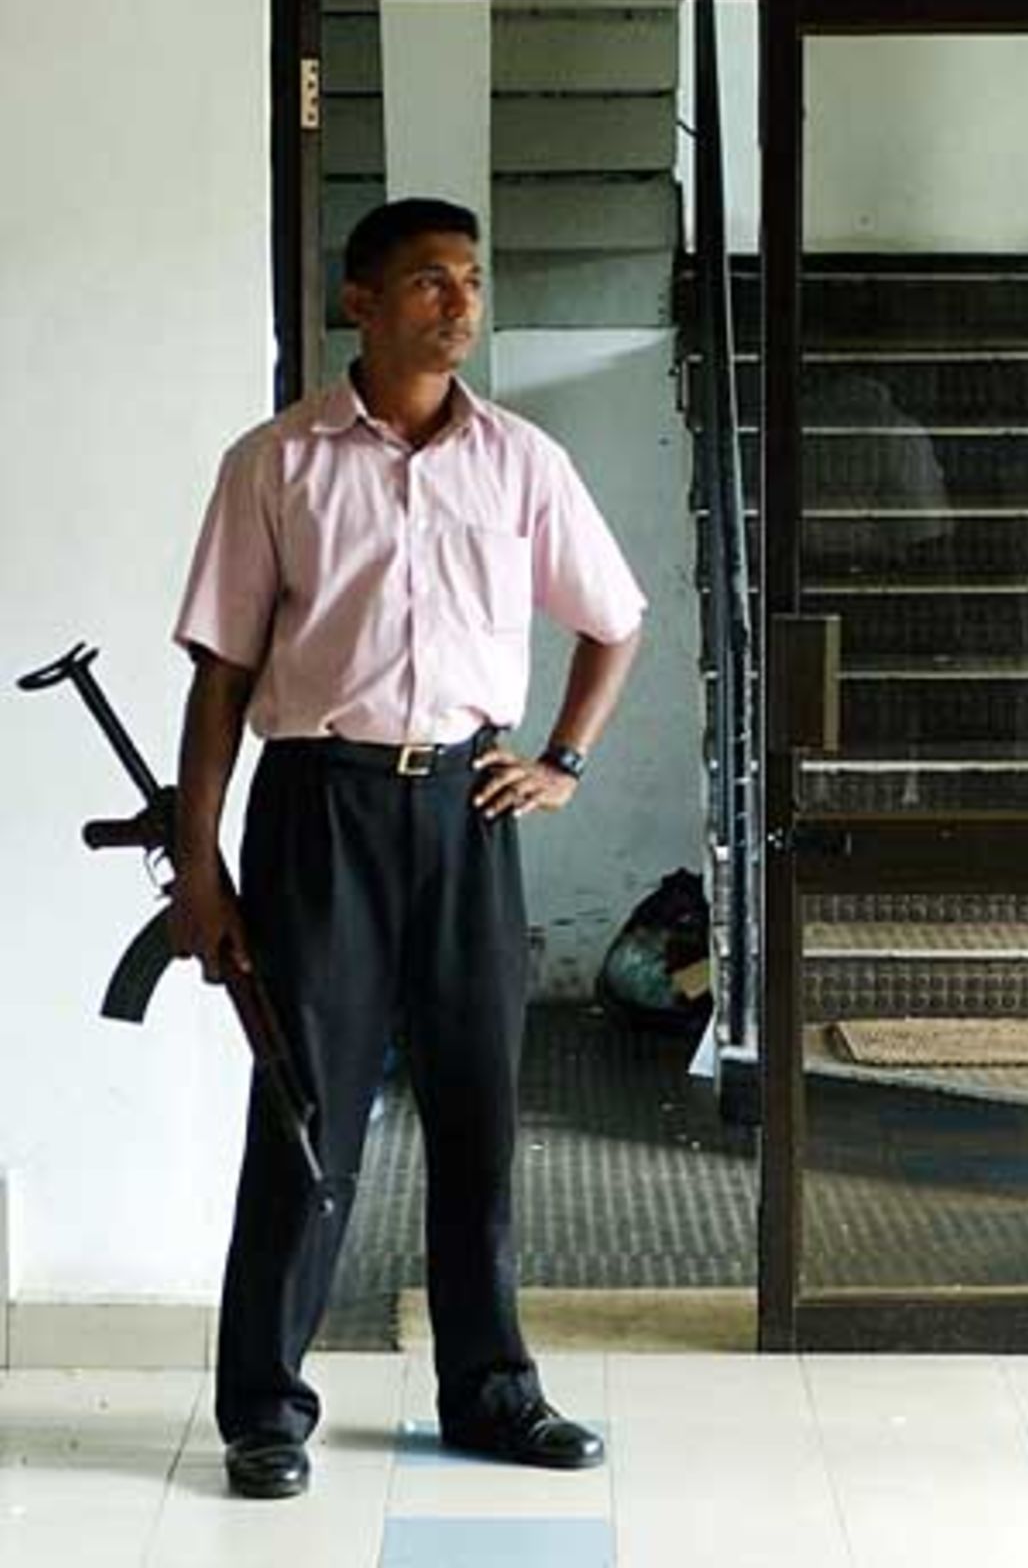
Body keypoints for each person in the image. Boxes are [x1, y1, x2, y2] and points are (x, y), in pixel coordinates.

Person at [168, 196, 645, 1499]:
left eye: (473, 280)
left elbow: (615, 618)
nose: (460, 301)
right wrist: (198, 863)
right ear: (359, 304)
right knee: (304, 1113)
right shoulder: (276, 463)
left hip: (465, 811)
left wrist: (562, 760)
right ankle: (266, 1406)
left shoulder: (522, 461)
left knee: (479, 1106)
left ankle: (492, 1390)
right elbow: (220, 678)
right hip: (319, 807)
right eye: (429, 280)